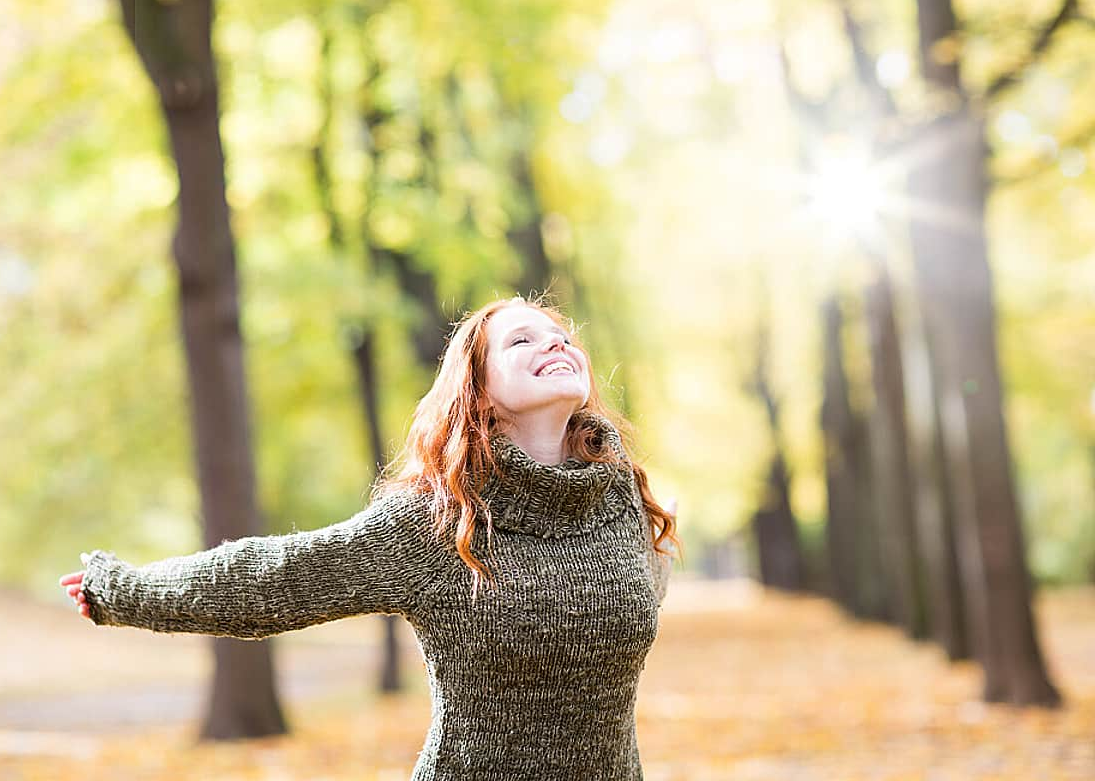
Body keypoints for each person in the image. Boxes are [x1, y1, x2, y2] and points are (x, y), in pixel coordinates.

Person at [59, 295, 679, 780]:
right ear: (481, 391)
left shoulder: (620, 498)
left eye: (564, 338)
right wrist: (123, 590)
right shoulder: (436, 520)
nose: (556, 344)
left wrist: (659, 549)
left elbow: (637, 598)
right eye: (522, 340)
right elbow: (279, 576)